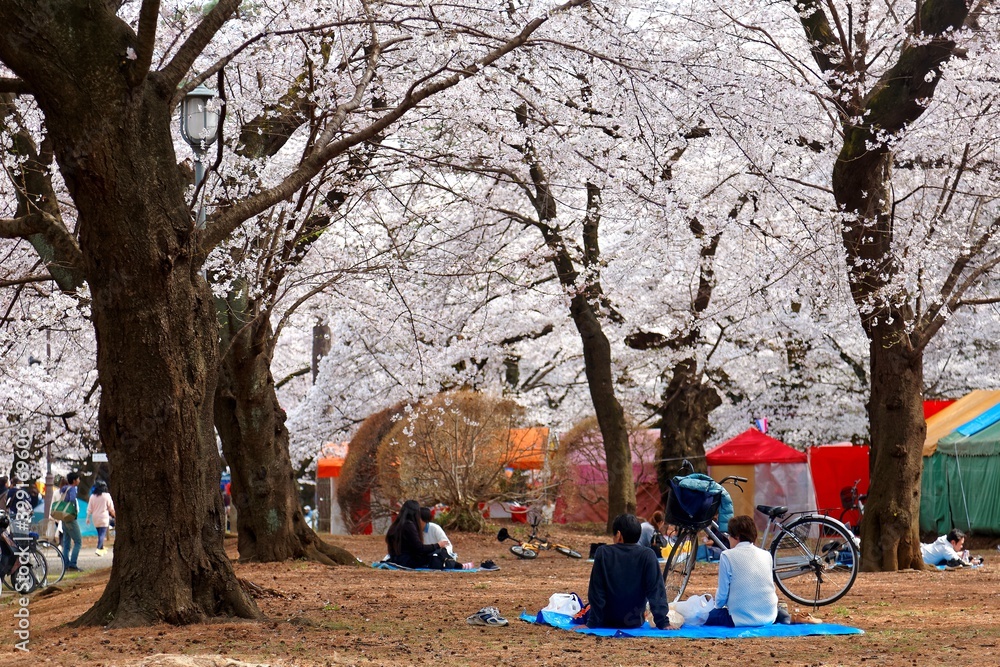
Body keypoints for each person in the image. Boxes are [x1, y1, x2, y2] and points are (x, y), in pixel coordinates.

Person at [704, 514, 792, 627]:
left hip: (739, 619)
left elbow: (722, 596)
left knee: (708, 615)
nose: (728, 538)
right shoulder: (766, 555)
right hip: (769, 616)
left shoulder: (727, 556)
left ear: (737, 536)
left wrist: (715, 607)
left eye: (730, 535)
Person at [587, 513, 671, 630]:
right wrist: (663, 623)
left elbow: (596, 590)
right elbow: (656, 590)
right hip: (633, 622)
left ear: (618, 534)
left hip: (605, 621)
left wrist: (591, 623)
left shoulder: (603, 553)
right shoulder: (647, 555)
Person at [386, 499, 453, 569]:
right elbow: (419, 548)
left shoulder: (395, 525)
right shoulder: (409, 525)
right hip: (407, 561)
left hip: (396, 559)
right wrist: (438, 545)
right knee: (438, 554)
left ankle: (458, 565)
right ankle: (459, 565)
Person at [59, 472, 83, 571]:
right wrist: (73, 511)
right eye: (78, 479)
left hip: (63, 517)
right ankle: (72, 564)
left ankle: (66, 564)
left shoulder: (64, 489)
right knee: (78, 541)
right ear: (74, 481)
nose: (79, 480)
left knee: (66, 542)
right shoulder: (72, 489)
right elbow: (72, 500)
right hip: (70, 518)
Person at [85, 480, 116, 556]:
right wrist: (115, 515)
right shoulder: (107, 496)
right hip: (104, 517)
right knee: (102, 534)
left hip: (95, 517)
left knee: (99, 533)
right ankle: (98, 548)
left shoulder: (92, 496)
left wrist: (88, 518)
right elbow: (111, 508)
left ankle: (101, 549)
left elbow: (89, 508)